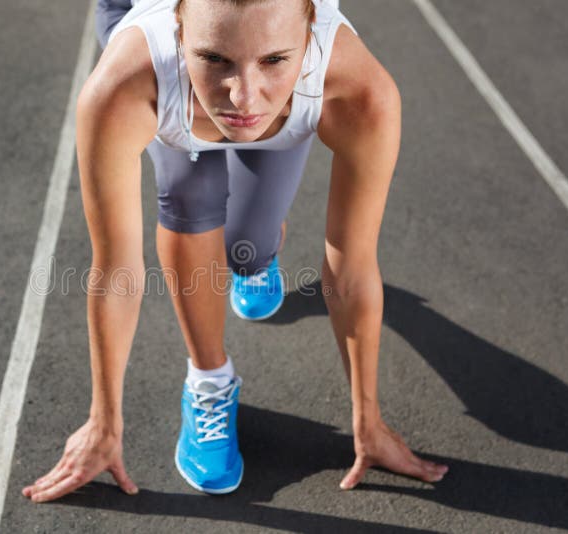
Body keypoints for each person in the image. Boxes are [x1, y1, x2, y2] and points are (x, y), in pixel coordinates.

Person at [23, 0, 449, 501]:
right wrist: (103, 421)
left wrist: (368, 418)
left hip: (264, 69)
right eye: (214, 59)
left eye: (273, 61)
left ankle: (257, 255)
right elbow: (117, 269)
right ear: (180, 32)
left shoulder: (358, 88)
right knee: (188, 194)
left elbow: (352, 266)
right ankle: (208, 378)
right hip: (165, 76)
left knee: (246, 251)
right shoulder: (124, 84)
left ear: (310, 38)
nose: (244, 97)